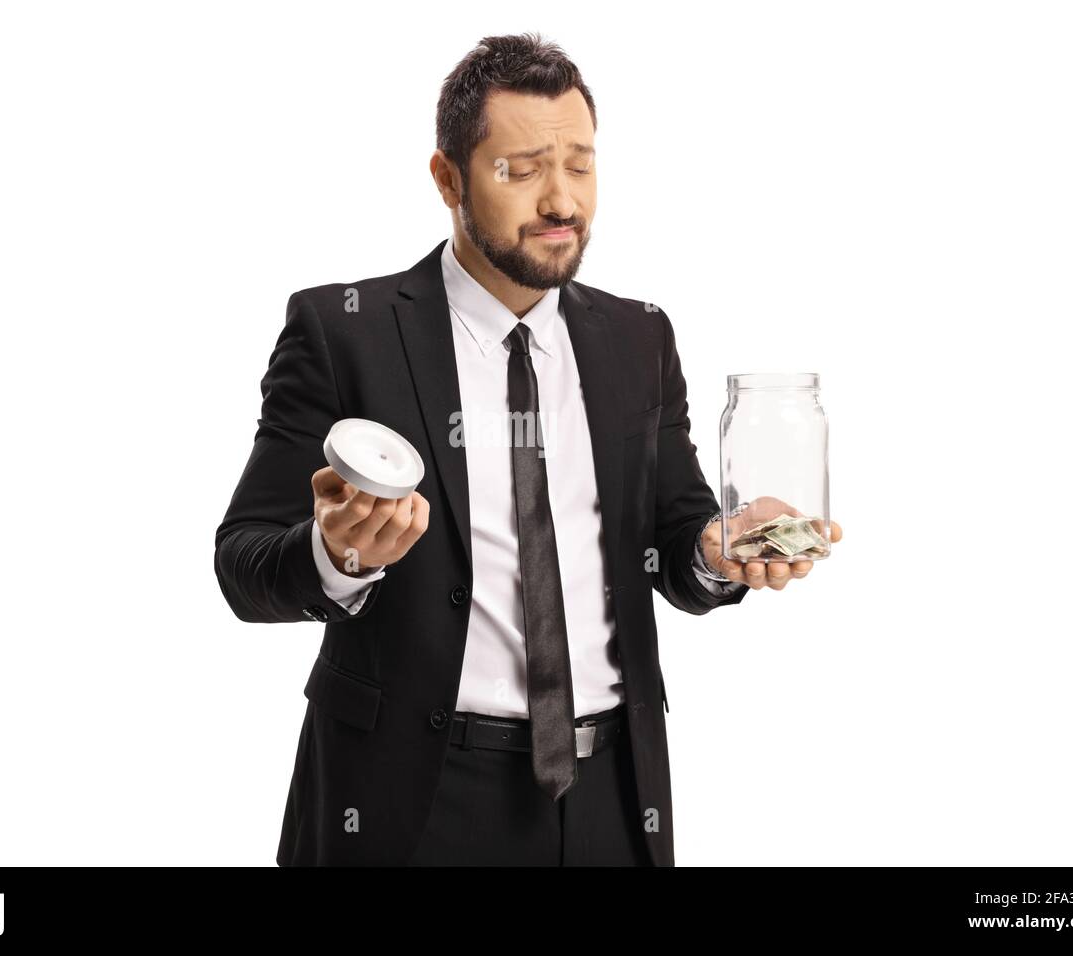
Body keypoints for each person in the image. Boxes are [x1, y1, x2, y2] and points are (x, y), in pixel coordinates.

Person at [214, 32, 844, 866]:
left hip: (613, 797)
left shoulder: (638, 336)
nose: (561, 202)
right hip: (414, 796)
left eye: (580, 166)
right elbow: (244, 567)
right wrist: (338, 557)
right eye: (521, 169)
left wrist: (718, 552)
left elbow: (676, 537)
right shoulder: (344, 334)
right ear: (448, 179)